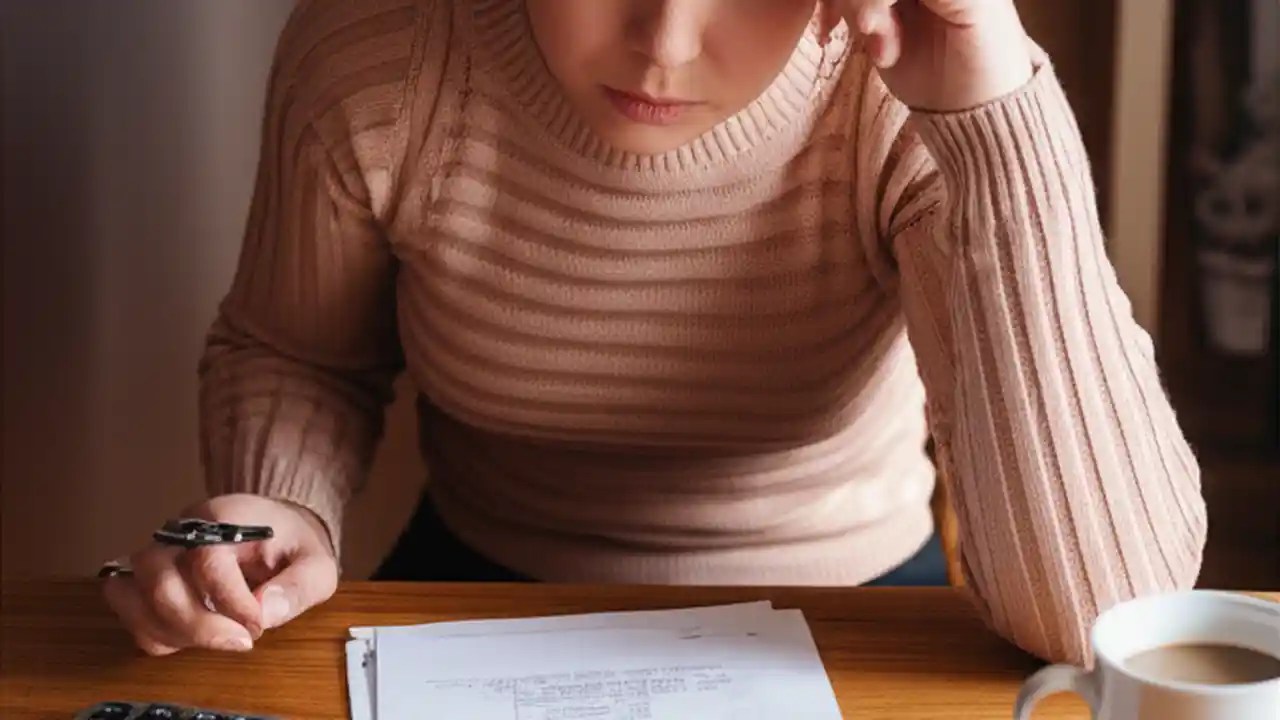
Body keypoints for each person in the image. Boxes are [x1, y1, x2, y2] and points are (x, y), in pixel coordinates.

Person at [103, 0, 1207, 666]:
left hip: (856, 607)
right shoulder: (379, 53)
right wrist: (277, 506)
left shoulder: (896, 85)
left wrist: (988, 117)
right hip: (472, 598)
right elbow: (300, 354)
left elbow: (1106, 614)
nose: (663, 44)